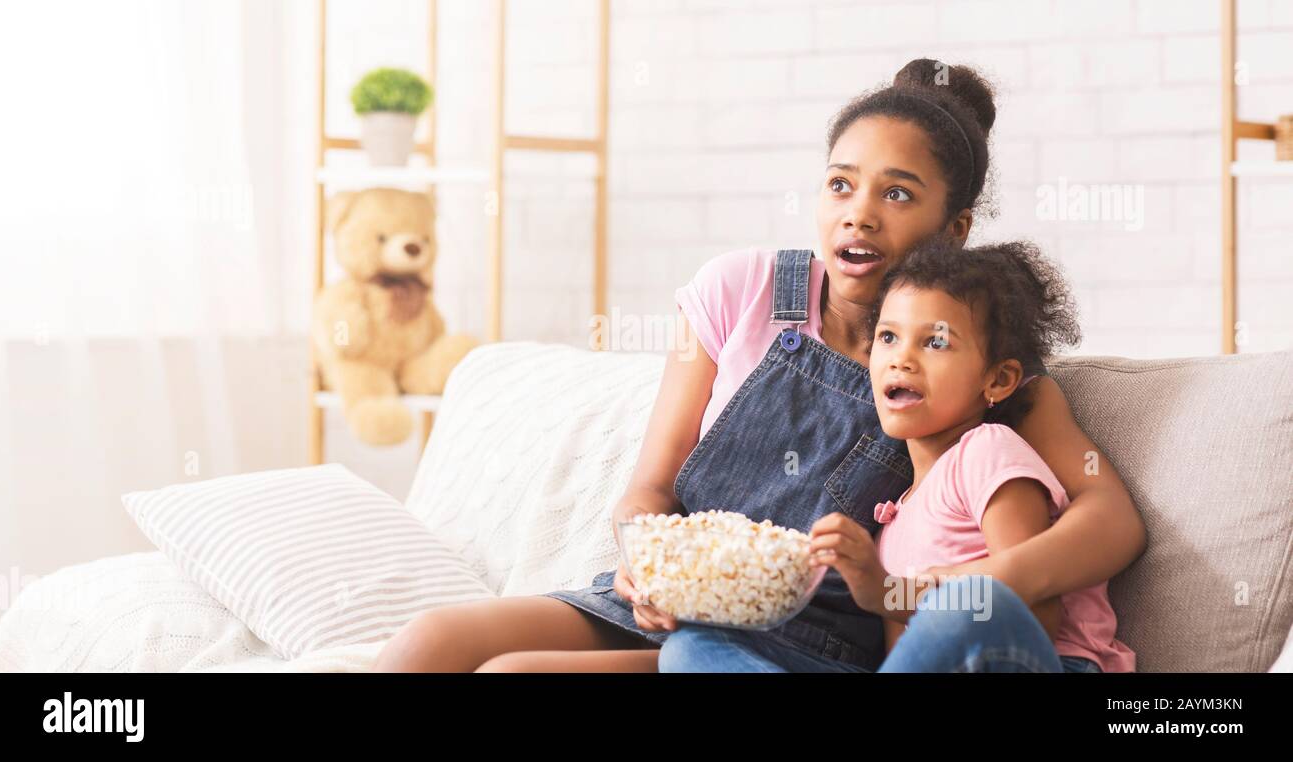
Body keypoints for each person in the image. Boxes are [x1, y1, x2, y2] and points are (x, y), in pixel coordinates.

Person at [371, 58, 1146, 673]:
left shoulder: (977, 367)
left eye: (898, 194)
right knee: (428, 645)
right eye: (840, 183)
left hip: (808, 641)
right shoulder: (735, 290)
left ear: (955, 227)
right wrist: (646, 563)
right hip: (675, 599)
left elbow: (1109, 520)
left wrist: (963, 594)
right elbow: (651, 484)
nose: (860, 212)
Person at [660, 240, 1137, 672]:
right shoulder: (895, 509)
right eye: (887, 337)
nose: (901, 358)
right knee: (690, 649)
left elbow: (1032, 614)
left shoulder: (988, 453)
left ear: (998, 380)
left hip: (1033, 659)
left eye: (935, 342)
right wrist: (878, 588)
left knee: (955, 617)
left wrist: (890, 592)